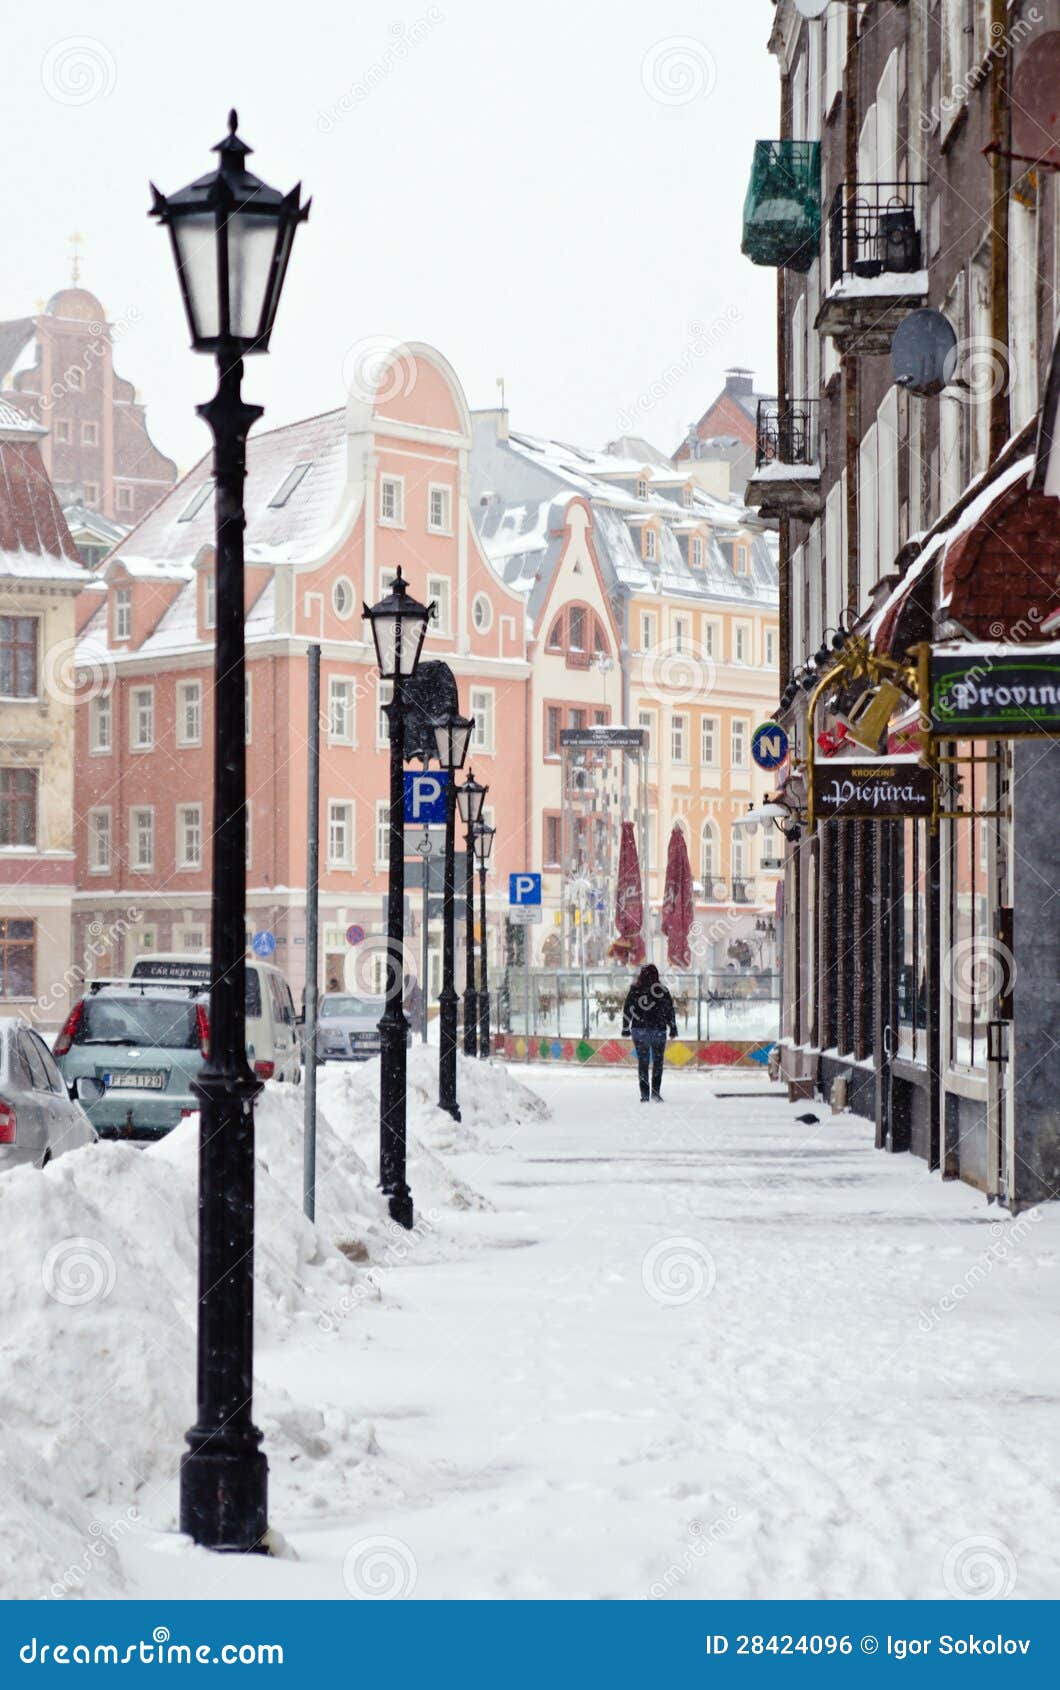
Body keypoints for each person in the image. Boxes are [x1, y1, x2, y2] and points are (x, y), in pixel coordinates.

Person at [621, 963, 678, 1102]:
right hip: (658, 1031)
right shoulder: (662, 990)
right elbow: (669, 1010)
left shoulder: (635, 990)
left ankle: (644, 1095)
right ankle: (655, 1093)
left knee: (643, 1063)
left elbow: (628, 1009)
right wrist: (673, 1028)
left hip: (639, 1031)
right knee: (658, 1062)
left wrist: (625, 1027)